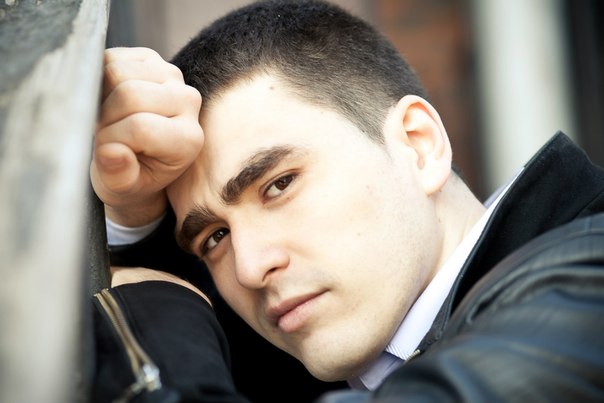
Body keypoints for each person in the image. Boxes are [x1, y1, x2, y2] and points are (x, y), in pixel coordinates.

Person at [90, 0, 604, 402]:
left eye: (279, 185)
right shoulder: (335, 350)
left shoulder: (588, 282)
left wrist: (148, 332)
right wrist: (132, 215)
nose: (250, 268)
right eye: (215, 237)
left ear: (419, 144)